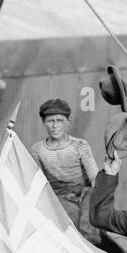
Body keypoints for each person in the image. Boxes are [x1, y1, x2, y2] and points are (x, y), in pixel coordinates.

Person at [29, 98, 99, 228]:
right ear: (43, 122)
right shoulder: (38, 150)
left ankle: (91, 238)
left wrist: (98, 200)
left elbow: (94, 177)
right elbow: (38, 182)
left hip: (84, 194)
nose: (55, 126)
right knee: (70, 218)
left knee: (91, 216)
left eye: (59, 120)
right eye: (50, 121)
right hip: (59, 197)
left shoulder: (80, 145)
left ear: (68, 121)